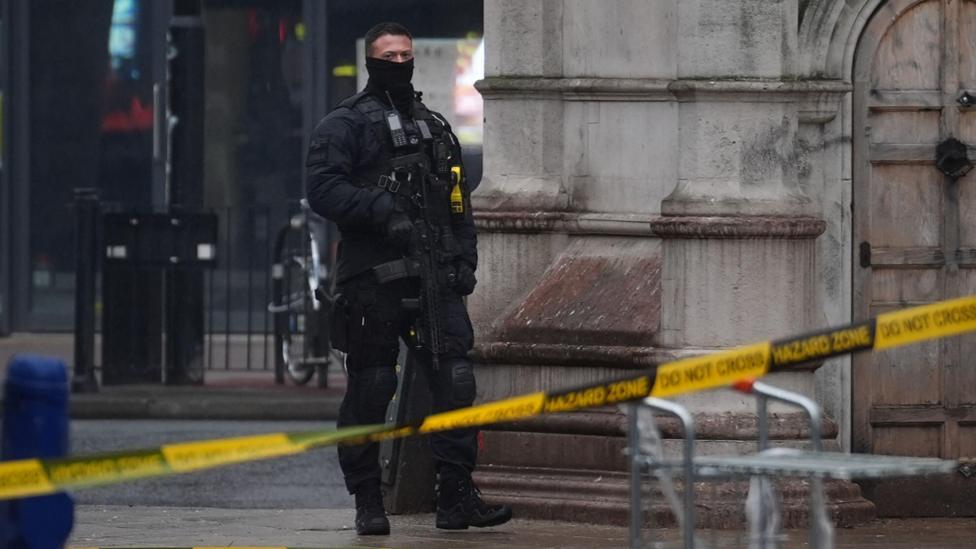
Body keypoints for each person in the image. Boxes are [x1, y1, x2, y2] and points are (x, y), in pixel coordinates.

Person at [305, 22, 512, 536]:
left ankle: (456, 498)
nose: (399, 64)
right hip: (373, 282)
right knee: (372, 388)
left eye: (406, 56)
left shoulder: (435, 125)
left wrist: (465, 259)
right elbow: (323, 190)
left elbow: (458, 200)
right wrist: (380, 209)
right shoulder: (344, 124)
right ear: (372, 61)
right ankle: (368, 501)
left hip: (435, 279)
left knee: (456, 383)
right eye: (389, 56)